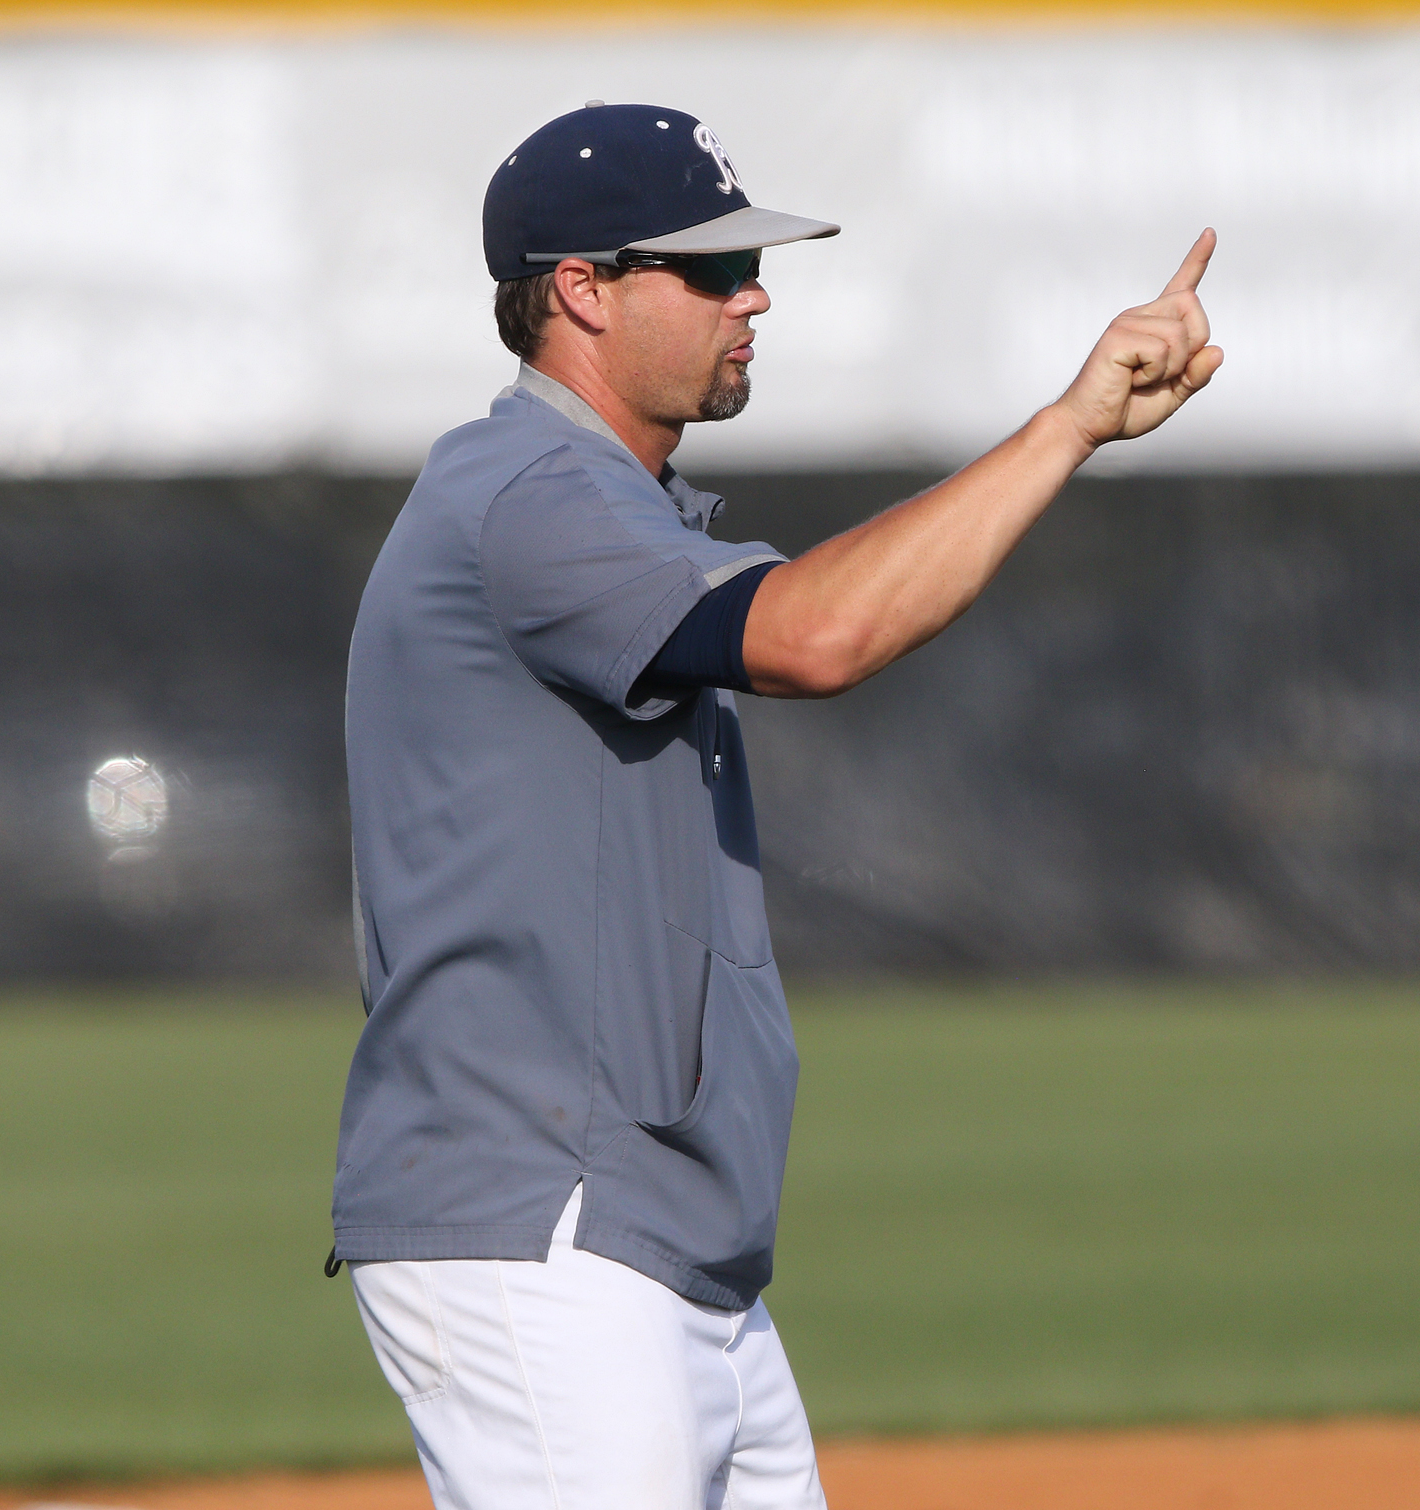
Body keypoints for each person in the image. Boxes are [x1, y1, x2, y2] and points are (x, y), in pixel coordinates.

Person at [329, 101, 1220, 1510]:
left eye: (752, 264)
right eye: (708, 269)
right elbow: (816, 635)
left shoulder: (614, 504)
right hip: (545, 1229)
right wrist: (1069, 426)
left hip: (666, 1243)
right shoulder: (526, 495)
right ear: (581, 291)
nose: (754, 295)